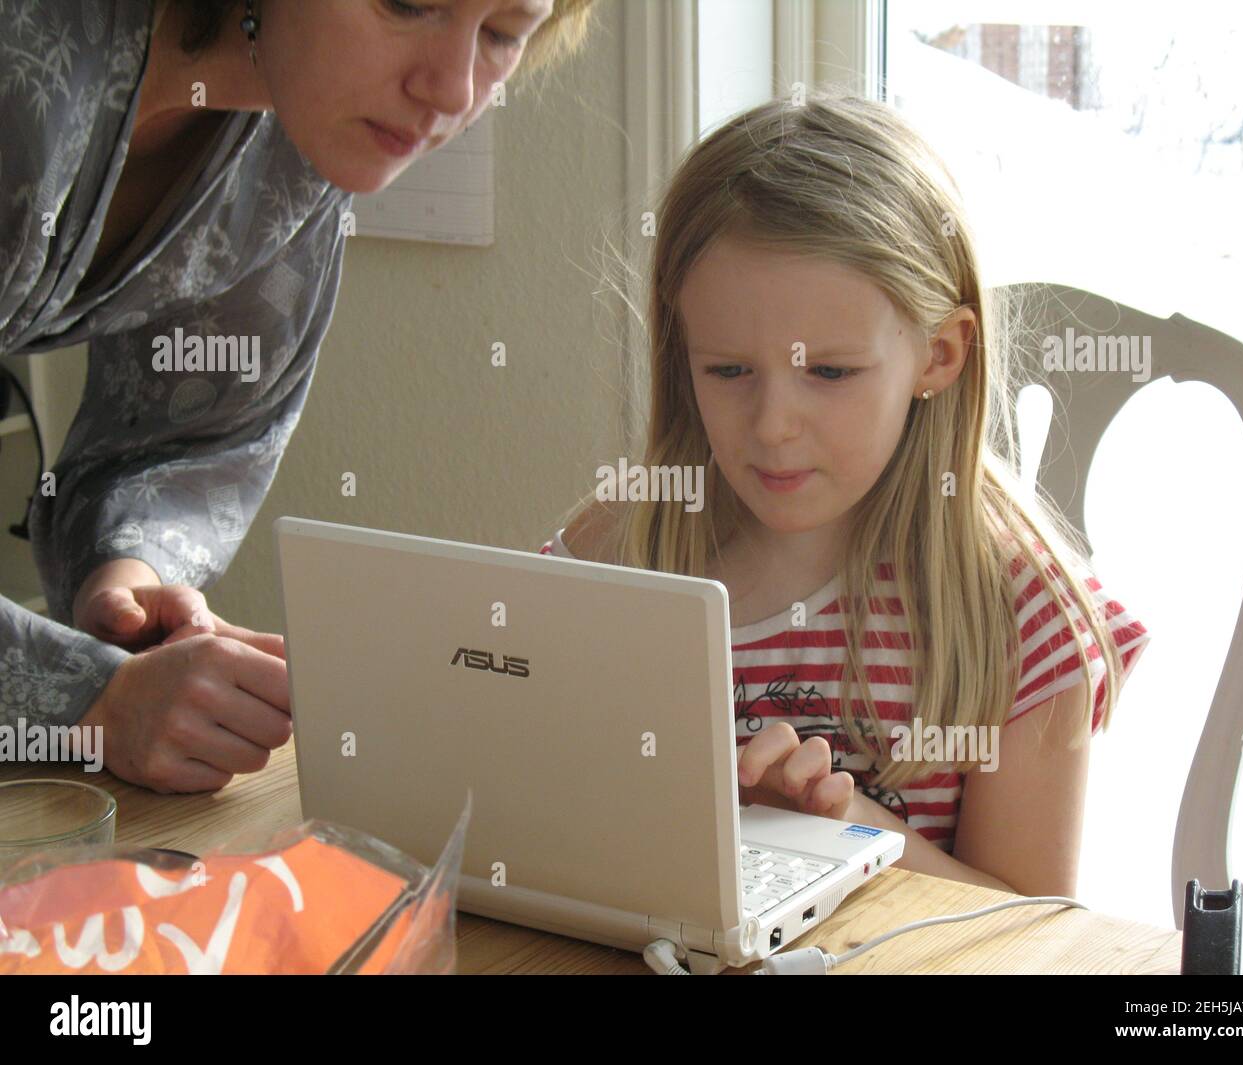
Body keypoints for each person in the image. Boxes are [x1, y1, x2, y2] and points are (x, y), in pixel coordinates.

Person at [538, 93, 1152, 898]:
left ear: (938, 354)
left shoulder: (1021, 617)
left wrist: (844, 831)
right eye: (727, 369)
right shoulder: (619, 550)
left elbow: (1031, 934)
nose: (773, 426)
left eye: (828, 372)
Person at [0, 0, 595, 793]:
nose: (452, 90)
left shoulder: (301, 132)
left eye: (501, 34)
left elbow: (180, 433)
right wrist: (82, 701)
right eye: (408, 4)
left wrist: (129, 579)